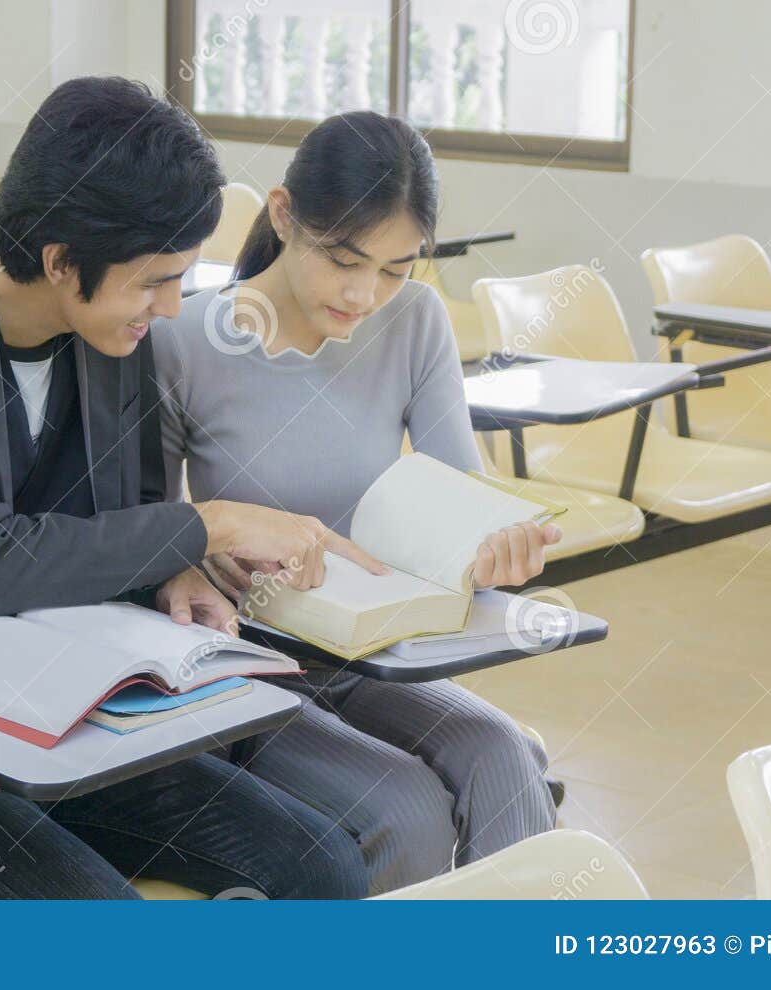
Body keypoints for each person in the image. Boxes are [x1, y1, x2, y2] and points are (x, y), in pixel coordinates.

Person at [0, 76, 371, 899]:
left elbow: (131, 507)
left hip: (81, 713)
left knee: (320, 865)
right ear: (61, 261)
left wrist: (172, 568)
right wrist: (204, 527)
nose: (174, 307)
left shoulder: (111, 326)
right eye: (156, 280)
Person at [154, 111, 563, 894]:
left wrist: (494, 547)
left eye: (395, 268)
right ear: (282, 215)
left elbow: (460, 499)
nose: (364, 292)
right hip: (255, 658)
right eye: (344, 259)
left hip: (375, 652)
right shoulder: (189, 337)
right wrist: (191, 553)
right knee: (404, 808)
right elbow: (147, 523)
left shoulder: (415, 321)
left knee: (505, 759)